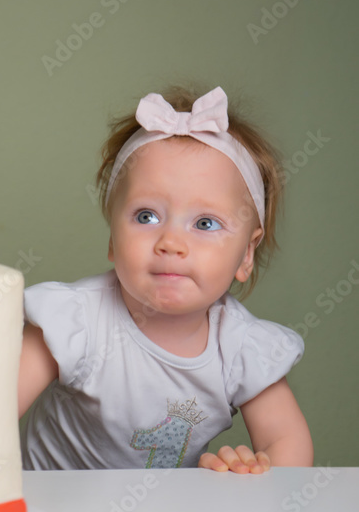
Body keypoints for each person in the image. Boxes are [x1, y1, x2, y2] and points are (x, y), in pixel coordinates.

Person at [18, 84, 314, 473]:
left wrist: (257, 476)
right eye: (146, 217)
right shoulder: (74, 321)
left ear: (246, 254)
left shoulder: (241, 347)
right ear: (113, 239)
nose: (171, 242)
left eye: (205, 223)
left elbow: (286, 442)